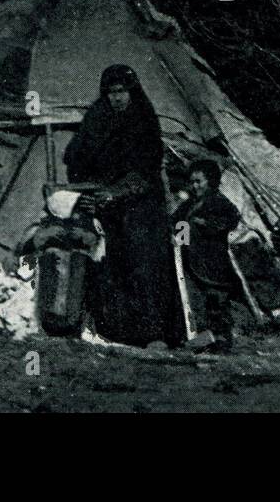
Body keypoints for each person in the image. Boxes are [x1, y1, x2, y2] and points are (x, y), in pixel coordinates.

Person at [62, 64, 186, 347]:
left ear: (133, 91)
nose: (117, 98)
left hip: (142, 207)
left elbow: (146, 168)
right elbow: (76, 155)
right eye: (111, 92)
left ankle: (153, 333)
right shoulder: (97, 116)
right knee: (111, 266)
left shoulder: (143, 118)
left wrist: (116, 192)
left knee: (143, 265)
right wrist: (88, 187)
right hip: (108, 208)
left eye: (122, 91)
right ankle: (118, 333)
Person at [173, 158, 241, 350]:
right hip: (191, 260)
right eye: (192, 182)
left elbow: (232, 219)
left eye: (199, 182)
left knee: (216, 303)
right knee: (196, 302)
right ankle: (202, 339)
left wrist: (208, 225)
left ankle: (222, 340)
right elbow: (177, 224)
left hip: (212, 262)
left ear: (210, 181)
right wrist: (179, 235)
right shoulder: (189, 205)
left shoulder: (219, 202)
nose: (194, 186)